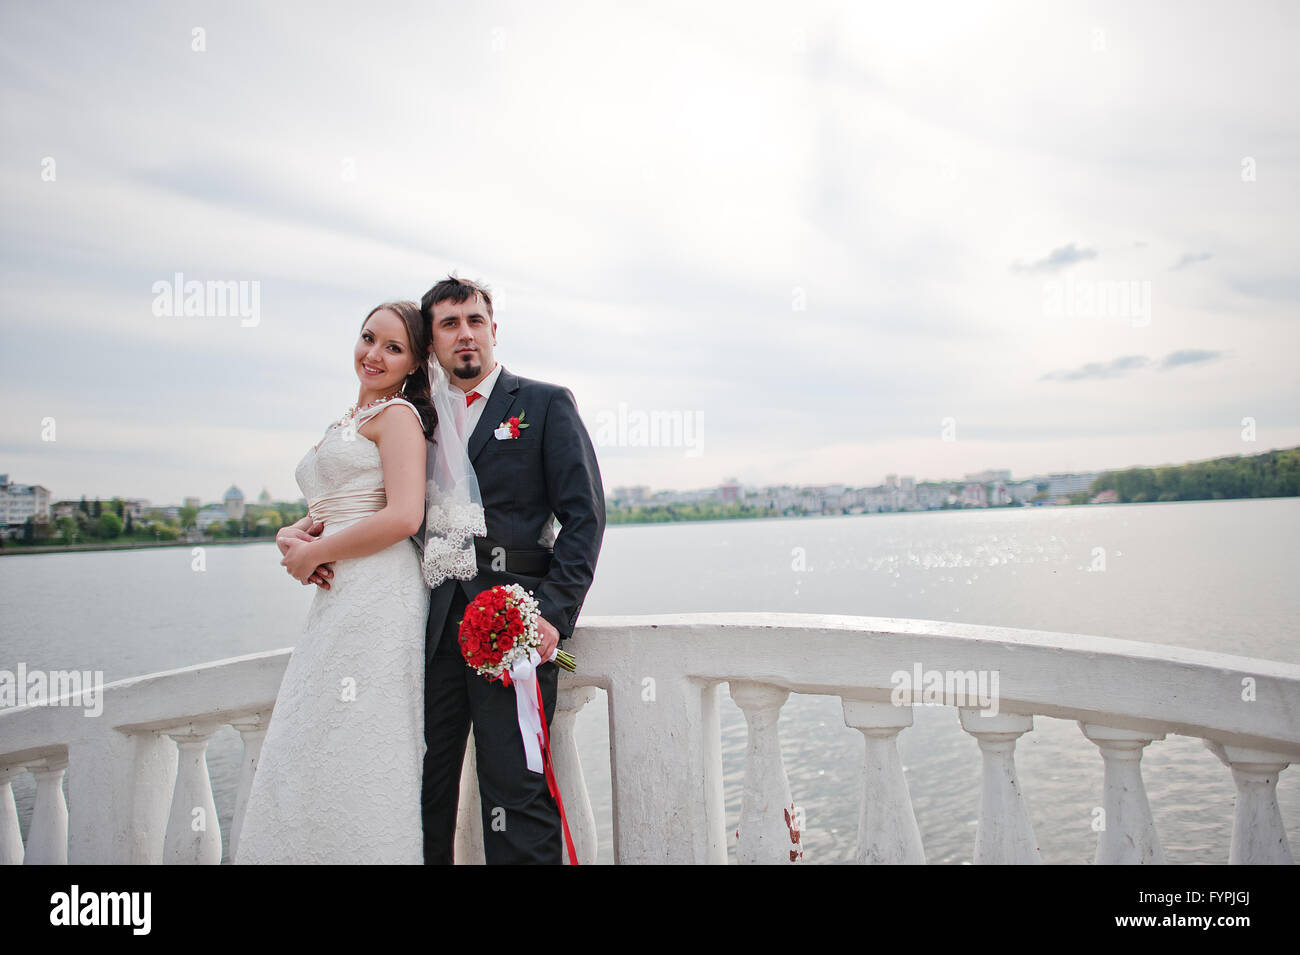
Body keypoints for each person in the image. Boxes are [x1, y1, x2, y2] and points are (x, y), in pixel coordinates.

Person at [234, 301, 434, 864]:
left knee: (360, 738)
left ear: (415, 364)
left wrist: (314, 552)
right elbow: (330, 508)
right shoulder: (346, 421)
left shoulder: (399, 419)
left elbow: (403, 517)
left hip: (378, 593)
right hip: (339, 595)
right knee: (314, 733)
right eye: (368, 338)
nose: (373, 354)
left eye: (393, 348)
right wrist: (289, 535)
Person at [418, 275, 606, 865]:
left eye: (475, 321)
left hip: (513, 624)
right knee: (424, 786)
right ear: (433, 342)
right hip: (430, 628)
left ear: (493, 330)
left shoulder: (545, 403)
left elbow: (585, 516)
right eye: (449, 324)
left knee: (517, 788)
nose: (465, 334)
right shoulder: (418, 417)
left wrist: (552, 615)